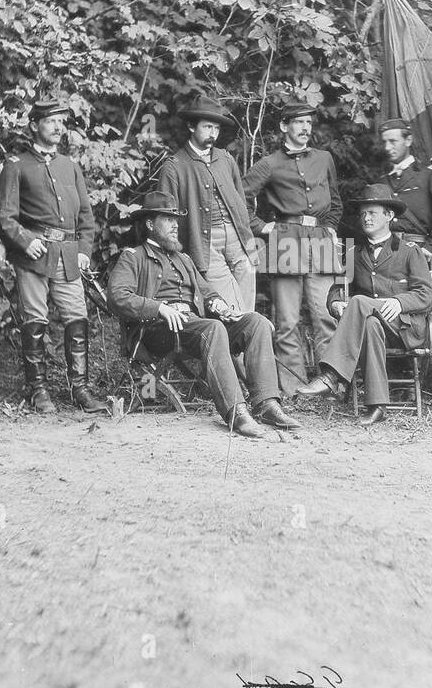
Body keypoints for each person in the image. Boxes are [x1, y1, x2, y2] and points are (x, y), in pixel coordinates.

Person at [106, 191, 300, 438]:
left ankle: (267, 404)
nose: (176, 225)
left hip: (194, 328)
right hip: (155, 331)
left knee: (255, 322)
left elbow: (207, 293)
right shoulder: (133, 258)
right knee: (212, 328)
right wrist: (160, 308)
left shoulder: (184, 259)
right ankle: (236, 412)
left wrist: (221, 307)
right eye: (168, 219)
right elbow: (118, 297)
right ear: (150, 224)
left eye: (176, 219)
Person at [0, 99, 107, 414]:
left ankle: (80, 390)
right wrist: (24, 240)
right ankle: (38, 390)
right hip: (34, 257)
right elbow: (5, 217)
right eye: (51, 121)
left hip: (69, 257)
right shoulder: (16, 164)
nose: (59, 128)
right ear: (34, 125)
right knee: (35, 320)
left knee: (77, 318)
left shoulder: (70, 166)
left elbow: (86, 216)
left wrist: (84, 251)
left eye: (62, 122)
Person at [295, 185, 432, 426]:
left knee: (359, 301)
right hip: (375, 327)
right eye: (363, 214)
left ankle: (332, 375)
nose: (366, 218)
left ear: (389, 216)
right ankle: (377, 405)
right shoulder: (354, 253)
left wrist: (399, 301)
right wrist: (336, 303)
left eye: (372, 213)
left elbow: (426, 293)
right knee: (369, 322)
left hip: (405, 328)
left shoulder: (410, 252)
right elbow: (336, 290)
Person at [243, 99, 343, 397]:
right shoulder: (270, 163)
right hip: (285, 239)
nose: (305, 128)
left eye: (309, 123)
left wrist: (333, 228)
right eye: (299, 122)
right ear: (285, 126)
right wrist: (262, 227)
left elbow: (335, 201)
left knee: (326, 314)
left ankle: (331, 382)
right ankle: (292, 386)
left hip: (322, 238)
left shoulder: (324, 159)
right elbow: (241, 197)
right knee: (287, 320)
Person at [155, 94, 256, 314]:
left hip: (238, 239)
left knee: (248, 307)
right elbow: (164, 217)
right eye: (208, 127)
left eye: (217, 128)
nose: (213, 134)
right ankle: (234, 345)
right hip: (204, 245)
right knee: (231, 308)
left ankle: (242, 347)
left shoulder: (226, 159)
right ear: (192, 126)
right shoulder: (174, 166)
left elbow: (240, 200)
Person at [380, 118, 432, 262]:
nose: (387, 147)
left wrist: (430, 247)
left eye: (393, 141)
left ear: (408, 140)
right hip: (385, 255)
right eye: (384, 142)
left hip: (419, 255)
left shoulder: (429, 174)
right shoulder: (383, 181)